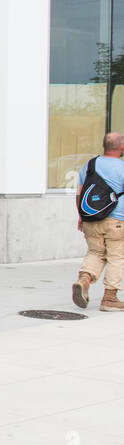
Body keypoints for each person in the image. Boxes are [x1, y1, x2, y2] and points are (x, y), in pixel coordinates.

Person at [73, 132, 124, 311]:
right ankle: (110, 298)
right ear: (121, 147)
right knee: (116, 257)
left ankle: (84, 279)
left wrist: (81, 216)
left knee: (95, 252)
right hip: (116, 220)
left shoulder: (89, 165)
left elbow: (79, 193)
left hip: (91, 219)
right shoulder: (122, 168)